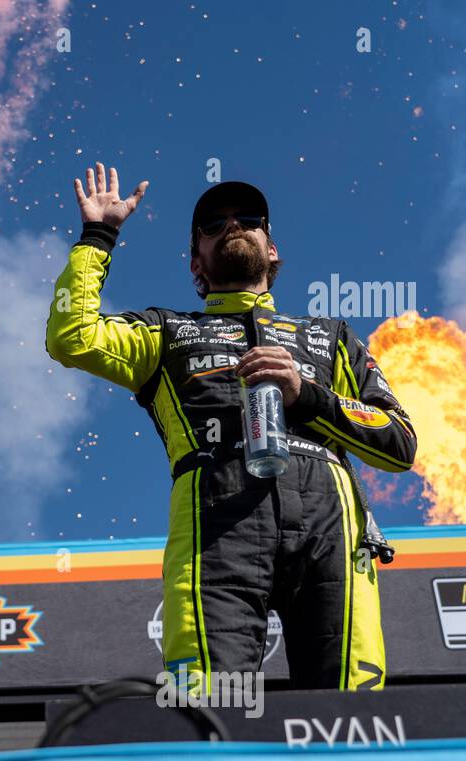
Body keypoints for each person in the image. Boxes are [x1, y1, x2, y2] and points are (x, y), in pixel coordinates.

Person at [45, 164, 418, 691]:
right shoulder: (166, 331)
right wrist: (99, 237)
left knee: (350, 710)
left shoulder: (330, 336)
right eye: (213, 224)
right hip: (217, 518)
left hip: (331, 524)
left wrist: (307, 396)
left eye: (248, 218)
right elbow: (73, 337)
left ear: (272, 248)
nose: (232, 226)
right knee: (214, 699)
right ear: (195, 262)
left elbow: (400, 442)